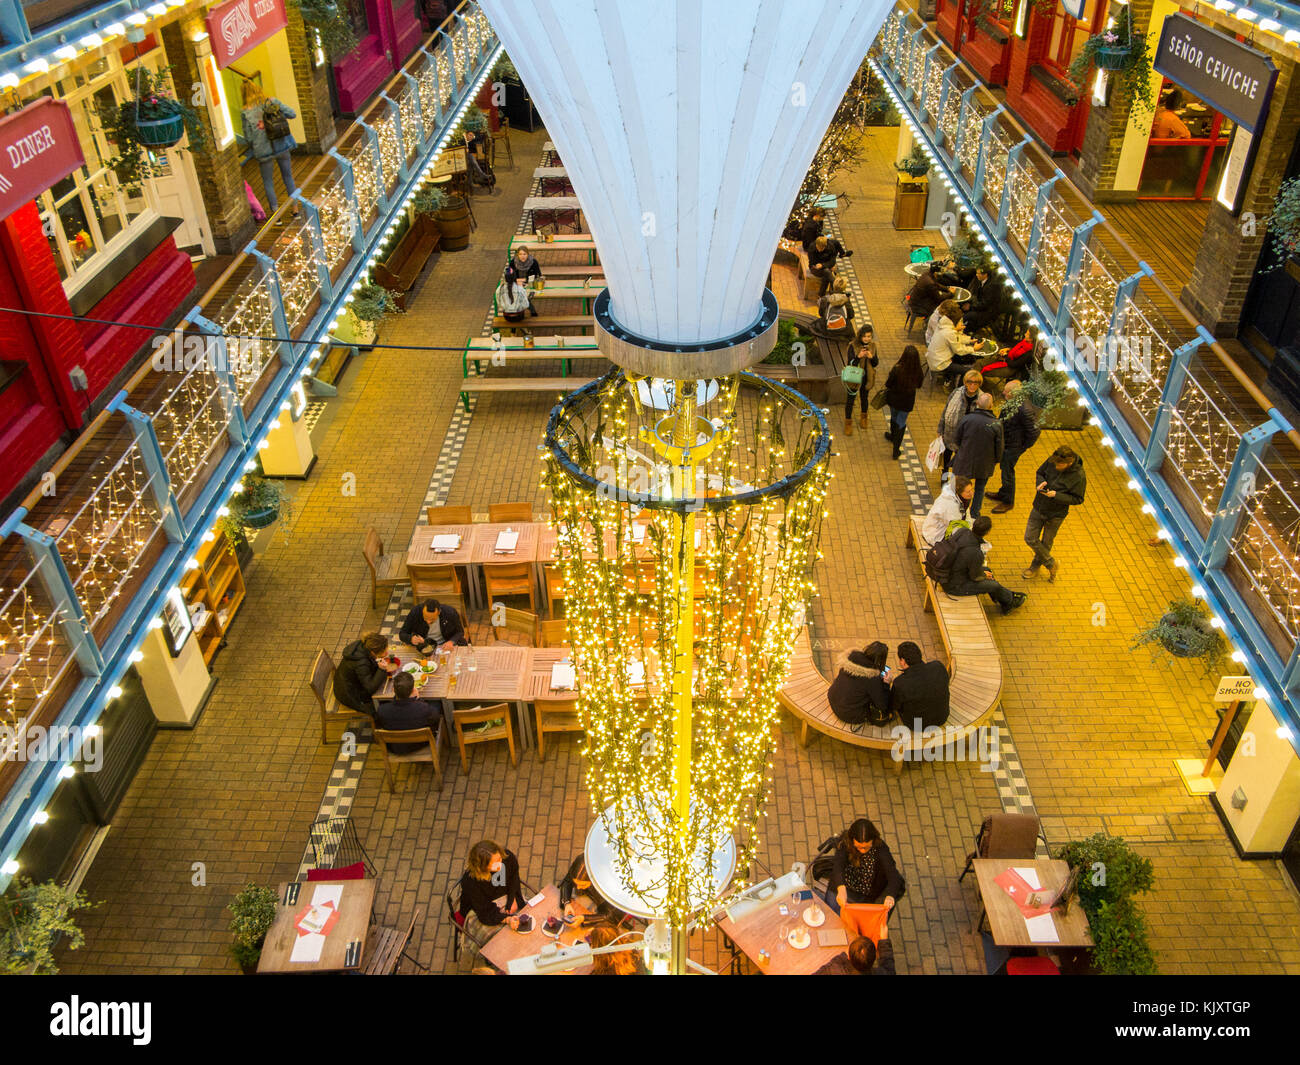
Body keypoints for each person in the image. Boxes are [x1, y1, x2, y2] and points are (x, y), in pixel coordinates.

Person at [1023, 445, 1086, 582]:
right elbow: (1040, 472)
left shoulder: (1079, 476)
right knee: (1030, 538)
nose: (1056, 467)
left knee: (1046, 543)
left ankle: (1034, 567)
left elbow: (1078, 499)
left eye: (1060, 465)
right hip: (1039, 506)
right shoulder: (1052, 461)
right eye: (1055, 464)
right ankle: (1051, 564)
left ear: (1069, 463)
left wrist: (1057, 495)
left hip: (1056, 514)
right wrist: (1041, 482)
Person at [941, 515, 1027, 615]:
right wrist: (985, 575)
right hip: (954, 585)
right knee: (993, 584)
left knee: (987, 571)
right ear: (987, 532)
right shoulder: (976, 553)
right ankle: (1009, 602)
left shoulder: (962, 531)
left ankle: (1003, 597)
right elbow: (975, 577)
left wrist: (984, 573)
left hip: (946, 572)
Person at [239, 82, 299, 222]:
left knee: (268, 182)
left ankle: (276, 215)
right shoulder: (272, 102)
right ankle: (295, 210)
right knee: (288, 177)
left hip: (263, 151)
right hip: (282, 145)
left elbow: (248, 137)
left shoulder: (245, 113)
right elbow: (292, 114)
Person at [825, 818, 905, 915]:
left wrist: (890, 895)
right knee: (829, 913)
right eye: (858, 847)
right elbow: (838, 864)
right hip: (844, 885)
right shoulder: (845, 843)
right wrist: (841, 888)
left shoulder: (881, 849)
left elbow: (894, 877)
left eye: (866, 847)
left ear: (873, 840)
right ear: (852, 840)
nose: (862, 850)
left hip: (865, 896)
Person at [989, 380, 1041, 513]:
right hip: (1008, 443)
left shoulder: (1024, 409)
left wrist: (1023, 447)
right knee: (1004, 468)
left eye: (1005, 391)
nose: (1003, 393)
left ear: (1012, 393)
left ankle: (1008, 501)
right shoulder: (1015, 401)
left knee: (1008, 472)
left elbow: (1034, 431)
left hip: (1013, 446)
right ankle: (1003, 493)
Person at [952, 392, 1004, 518]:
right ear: (991, 406)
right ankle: (975, 514)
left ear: (977, 404)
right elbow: (999, 447)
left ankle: (958, 510)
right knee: (980, 488)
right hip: (985, 463)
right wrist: (996, 460)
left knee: (961, 487)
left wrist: (961, 450)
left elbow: (957, 438)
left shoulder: (967, 419)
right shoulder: (996, 424)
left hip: (965, 460)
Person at [459, 840, 526, 932]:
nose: (501, 863)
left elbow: (514, 877)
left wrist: (512, 898)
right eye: (495, 862)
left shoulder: (506, 857)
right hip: (481, 911)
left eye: (499, 858)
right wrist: (507, 919)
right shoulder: (470, 882)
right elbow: (484, 912)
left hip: (505, 896)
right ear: (482, 867)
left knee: (526, 917)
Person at [827, 640, 892, 728]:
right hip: (848, 714)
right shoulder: (872, 678)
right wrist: (886, 684)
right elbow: (882, 705)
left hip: (833, 699)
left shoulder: (851, 658)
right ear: (880, 660)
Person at [887, 640, 950, 729]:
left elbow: (894, 705)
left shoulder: (900, 683)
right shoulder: (938, 666)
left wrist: (887, 685)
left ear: (903, 661)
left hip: (917, 725)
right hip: (941, 717)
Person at [813, 908, 895, 975]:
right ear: (874, 960)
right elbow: (889, 966)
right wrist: (884, 941)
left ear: (849, 956)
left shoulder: (835, 968)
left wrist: (840, 957)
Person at [332, 632, 398, 715]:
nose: (387, 653)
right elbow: (370, 688)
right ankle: (379, 724)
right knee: (381, 709)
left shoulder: (363, 645)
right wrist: (381, 670)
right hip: (350, 694)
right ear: (373, 652)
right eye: (384, 652)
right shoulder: (361, 664)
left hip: (349, 682)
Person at [375, 671, 441, 753]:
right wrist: (419, 700)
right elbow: (436, 719)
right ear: (413, 689)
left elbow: (380, 726)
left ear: (393, 690)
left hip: (395, 747)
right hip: (420, 744)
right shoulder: (423, 708)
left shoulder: (382, 710)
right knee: (437, 704)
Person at [938, 370, 984, 478]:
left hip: (967, 436)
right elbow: (945, 410)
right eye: (969, 382)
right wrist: (940, 429)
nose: (972, 385)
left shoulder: (982, 399)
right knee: (946, 458)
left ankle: (957, 482)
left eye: (975, 383)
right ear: (965, 382)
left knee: (961, 461)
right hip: (951, 433)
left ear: (979, 384)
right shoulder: (956, 393)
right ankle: (944, 477)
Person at [883, 343, 924, 460]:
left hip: (894, 399)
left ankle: (892, 435)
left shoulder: (897, 369)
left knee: (893, 418)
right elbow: (919, 385)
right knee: (901, 423)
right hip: (907, 403)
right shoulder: (917, 371)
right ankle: (896, 449)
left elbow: (888, 384)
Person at [558, 855, 617, 926]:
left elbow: (608, 914)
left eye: (583, 885)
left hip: (604, 903)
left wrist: (584, 918)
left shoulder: (608, 886)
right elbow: (567, 881)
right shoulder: (580, 865)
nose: (578, 888)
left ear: (594, 880)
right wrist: (567, 903)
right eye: (576, 884)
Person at [842, 322, 878, 435]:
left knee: (864, 398)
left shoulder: (873, 346)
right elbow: (850, 363)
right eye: (865, 336)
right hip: (854, 377)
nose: (867, 339)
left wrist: (871, 358)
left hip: (867, 377)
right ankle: (848, 422)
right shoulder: (853, 345)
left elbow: (876, 363)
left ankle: (864, 417)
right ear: (860, 336)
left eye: (869, 336)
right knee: (850, 400)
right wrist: (859, 357)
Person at [926, 301, 976, 382]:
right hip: (940, 363)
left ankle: (950, 376)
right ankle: (959, 390)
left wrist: (969, 340)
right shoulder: (949, 331)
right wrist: (973, 349)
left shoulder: (943, 324)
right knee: (968, 372)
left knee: (959, 357)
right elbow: (958, 349)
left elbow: (955, 338)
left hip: (935, 355)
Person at [921, 475, 973, 548]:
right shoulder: (950, 505)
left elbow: (966, 514)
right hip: (936, 535)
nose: (971, 493)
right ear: (959, 492)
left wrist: (969, 527)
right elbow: (954, 528)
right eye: (968, 491)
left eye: (971, 489)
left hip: (947, 527)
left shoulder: (960, 498)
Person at [399, 597, 469, 649]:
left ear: (439, 612)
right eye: (425, 618)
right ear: (422, 611)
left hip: (445, 644)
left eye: (432, 619)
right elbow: (402, 634)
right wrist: (410, 638)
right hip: (425, 646)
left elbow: (460, 632)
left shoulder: (450, 612)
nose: (429, 622)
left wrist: (451, 641)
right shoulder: (415, 612)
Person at [961, 264, 1004, 335]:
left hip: (987, 311)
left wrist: (971, 307)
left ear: (985, 275)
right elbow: (974, 293)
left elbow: (985, 303)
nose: (976, 275)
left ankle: (966, 331)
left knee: (968, 316)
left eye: (978, 274)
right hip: (978, 305)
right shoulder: (978, 280)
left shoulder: (992, 286)